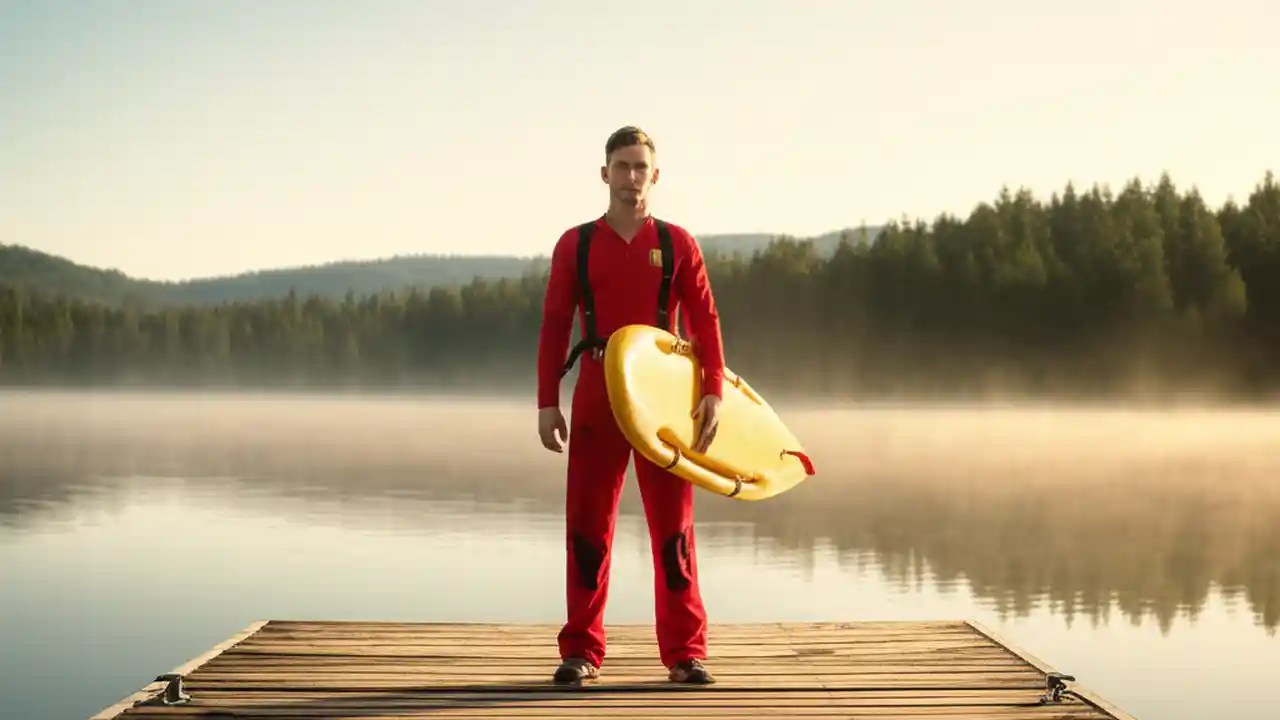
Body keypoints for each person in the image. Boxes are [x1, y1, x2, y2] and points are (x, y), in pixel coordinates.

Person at [536, 126, 725, 685]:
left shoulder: (677, 244)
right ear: (605, 174)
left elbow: (704, 319)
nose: (631, 177)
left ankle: (686, 653)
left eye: (641, 167)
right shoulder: (577, 243)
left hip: (663, 398)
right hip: (597, 392)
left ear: (655, 175)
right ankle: (581, 651)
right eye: (622, 166)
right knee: (588, 528)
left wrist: (712, 388)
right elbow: (552, 324)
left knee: (675, 529)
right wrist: (548, 401)